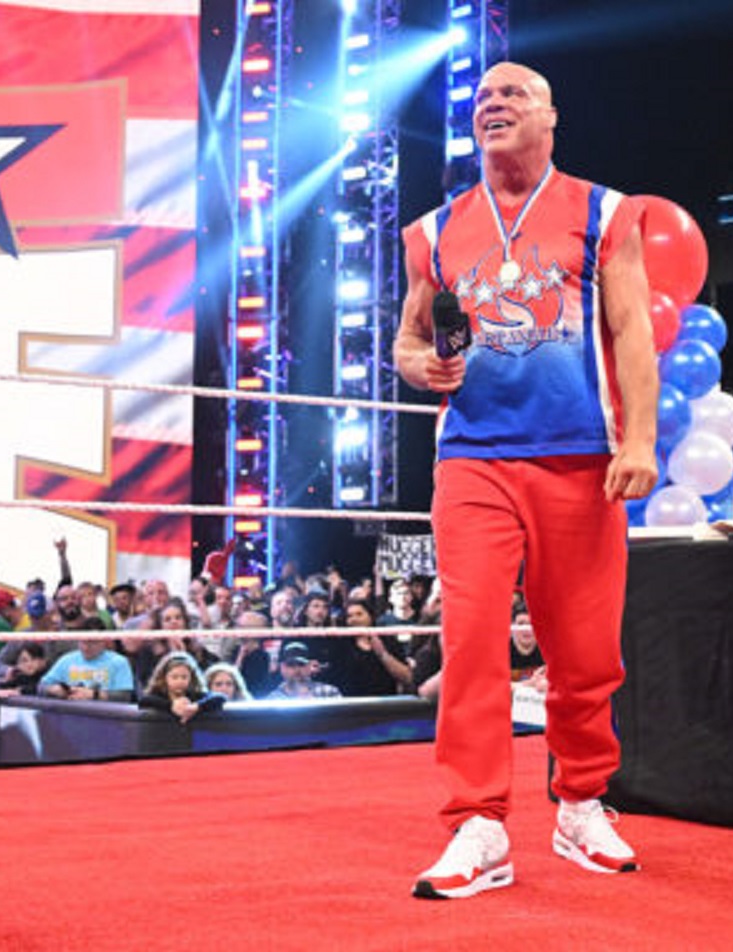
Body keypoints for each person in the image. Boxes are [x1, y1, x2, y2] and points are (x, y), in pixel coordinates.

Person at [393, 60, 656, 898]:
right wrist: (417, 366)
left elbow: (631, 328)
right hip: (473, 457)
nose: (492, 103)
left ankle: (580, 802)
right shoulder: (433, 230)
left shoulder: (604, 211)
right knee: (470, 639)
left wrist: (640, 439)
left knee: (584, 651)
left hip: (580, 456)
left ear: (550, 116)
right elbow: (407, 339)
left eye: (512, 94)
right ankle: (476, 822)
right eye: (482, 98)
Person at [39, 633, 136, 703]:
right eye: (83, 642)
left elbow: (125, 697)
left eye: (92, 643)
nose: (86, 648)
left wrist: (94, 695)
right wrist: (52, 690)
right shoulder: (67, 660)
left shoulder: (119, 662)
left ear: (103, 642)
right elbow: (41, 687)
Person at [137, 651, 225, 723]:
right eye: (174, 677)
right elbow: (144, 701)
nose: (179, 682)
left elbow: (219, 697)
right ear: (164, 678)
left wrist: (196, 707)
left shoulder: (194, 695)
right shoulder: (158, 694)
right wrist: (171, 706)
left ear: (191, 678)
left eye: (184, 677)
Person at [260, 642, 342, 700]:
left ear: (309, 666)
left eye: (301, 664)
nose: (297, 670)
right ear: (282, 668)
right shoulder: (273, 699)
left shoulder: (328, 692)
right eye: (291, 665)